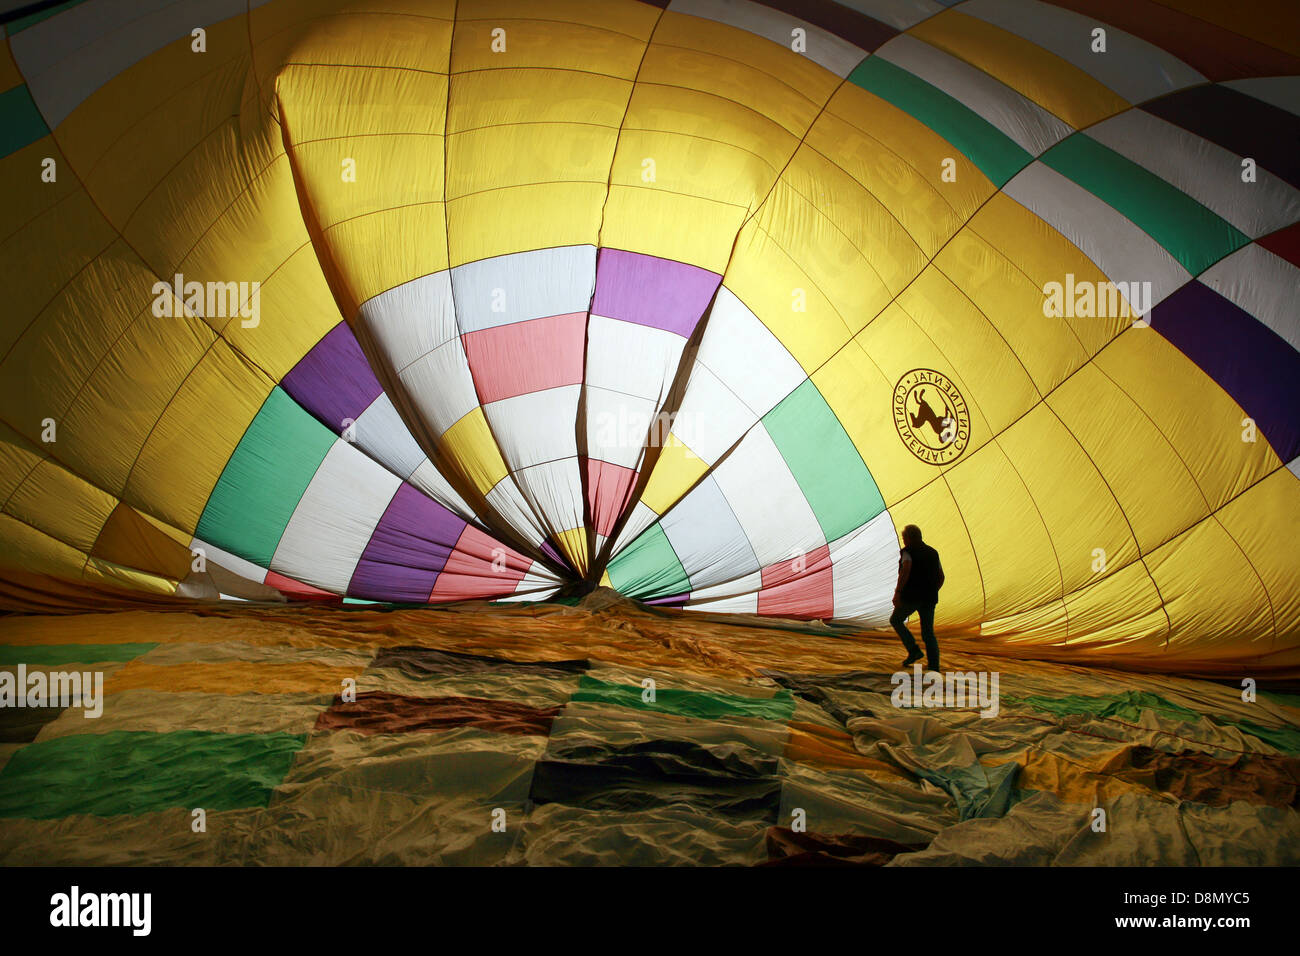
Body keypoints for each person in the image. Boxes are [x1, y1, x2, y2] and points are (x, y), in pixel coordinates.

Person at [891, 524, 944, 672]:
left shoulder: (908, 552)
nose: (904, 541)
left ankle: (914, 650)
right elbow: (941, 577)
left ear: (908, 538)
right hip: (929, 597)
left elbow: (906, 570)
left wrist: (898, 592)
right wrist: (932, 591)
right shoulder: (933, 553)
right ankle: (934, 665)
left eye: (904, 538)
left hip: (912, 596)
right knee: (928, 632)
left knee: (895, 620)